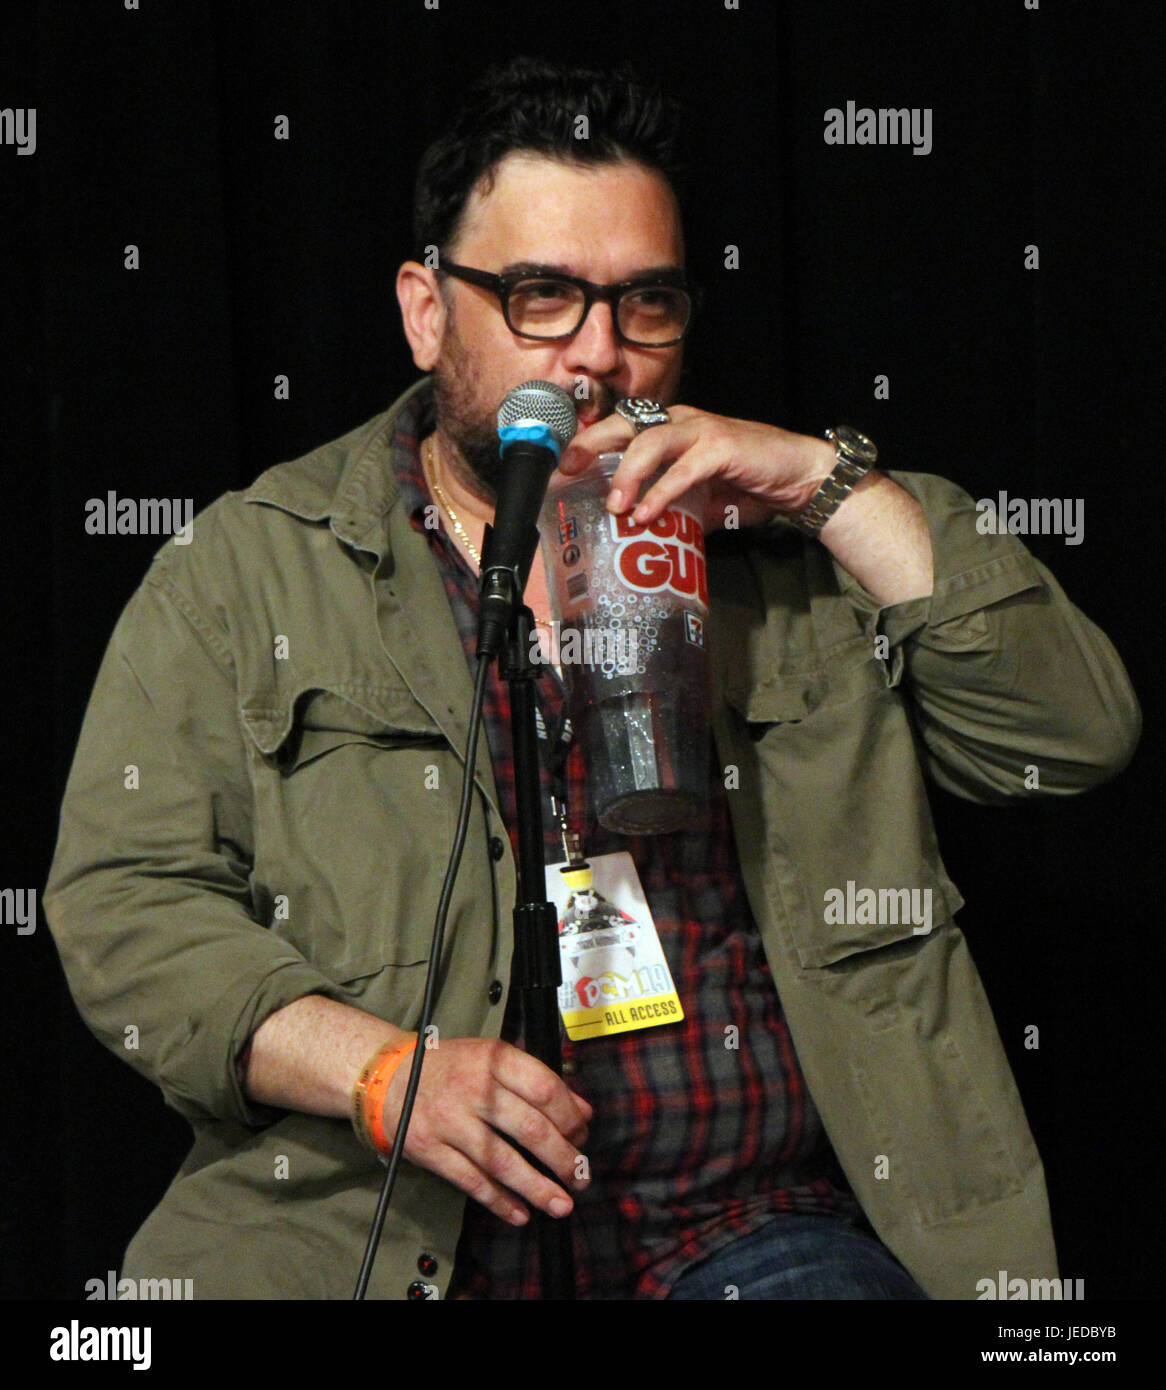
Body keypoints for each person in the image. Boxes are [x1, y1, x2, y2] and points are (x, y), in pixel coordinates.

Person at [44, 58, 1139, 1301]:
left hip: (746, 1223)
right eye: (541, 296)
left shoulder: (796, 540)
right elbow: (124, 902)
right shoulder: (244, 570)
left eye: (646, 303)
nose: (601, 356)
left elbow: (1073, 734)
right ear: (423, 308)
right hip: (383, 1229)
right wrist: (376, 1072)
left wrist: (824, 485)